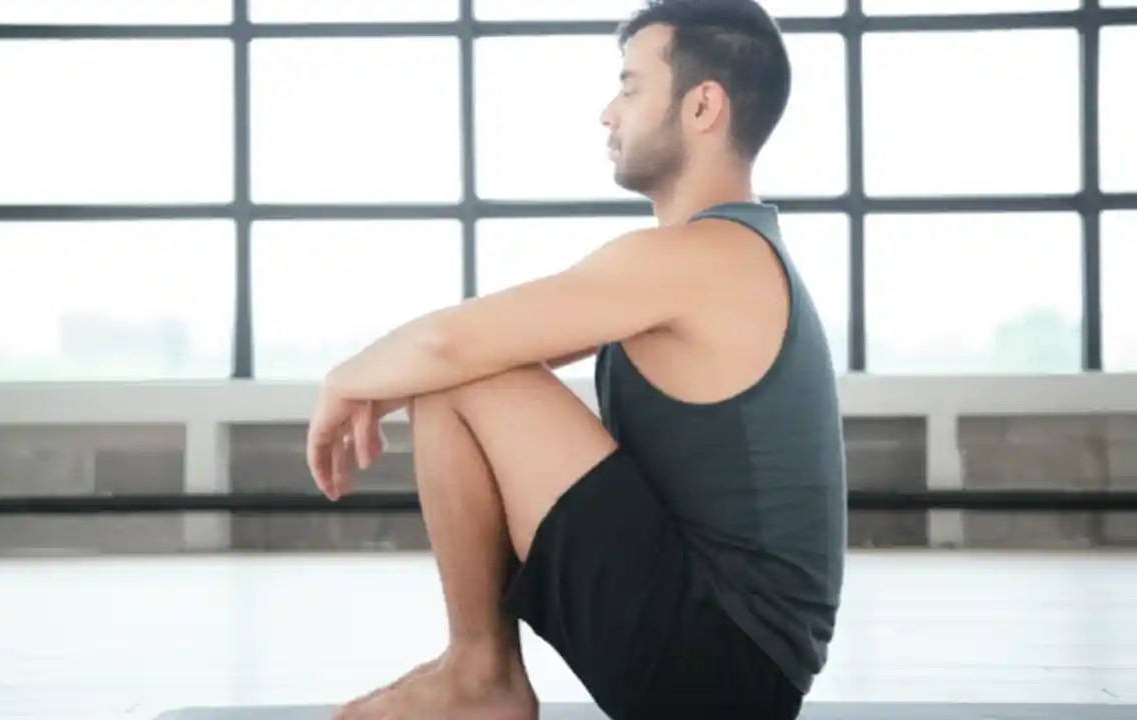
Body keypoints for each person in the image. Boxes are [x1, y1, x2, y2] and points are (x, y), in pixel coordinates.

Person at [306, 1, 846, 717]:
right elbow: (472, 345)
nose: (607, 113)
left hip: (720, 672)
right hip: (723, 664)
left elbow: (452, 345)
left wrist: (345, 380)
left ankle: (482, 674)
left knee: (458, 373)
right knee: (451, 377)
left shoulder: (710, 257)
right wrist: (387, 378)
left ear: (702, 106)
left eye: (629, 87)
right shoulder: (716, 256)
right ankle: (478, 668)